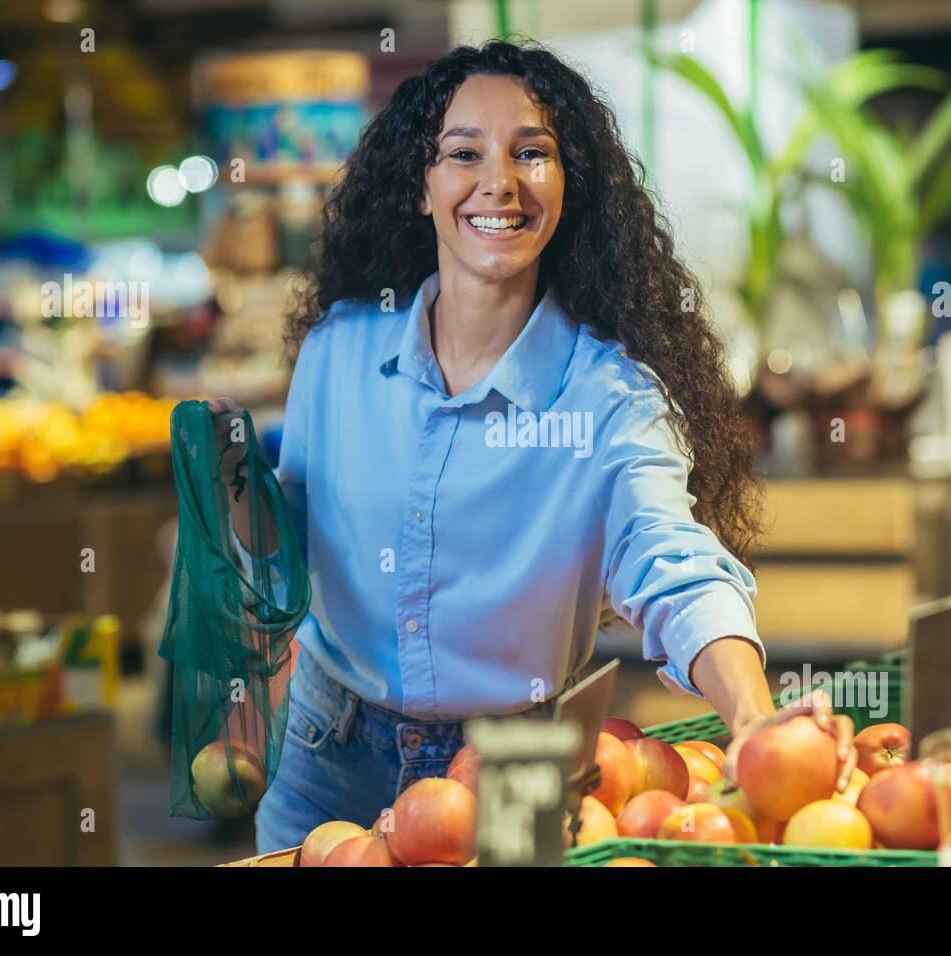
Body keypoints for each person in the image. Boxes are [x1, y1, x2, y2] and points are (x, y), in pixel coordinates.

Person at [211, 40, 848, 854]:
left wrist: (758, 722)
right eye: (463, 153)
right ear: (422, 184)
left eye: (532, 153)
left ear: (567, 183)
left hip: (510, 767)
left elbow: (673, 561)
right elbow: (286, 548)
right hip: (325, 754)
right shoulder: (339, 351)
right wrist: (228, 496)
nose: (498, 183)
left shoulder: (610, 396)